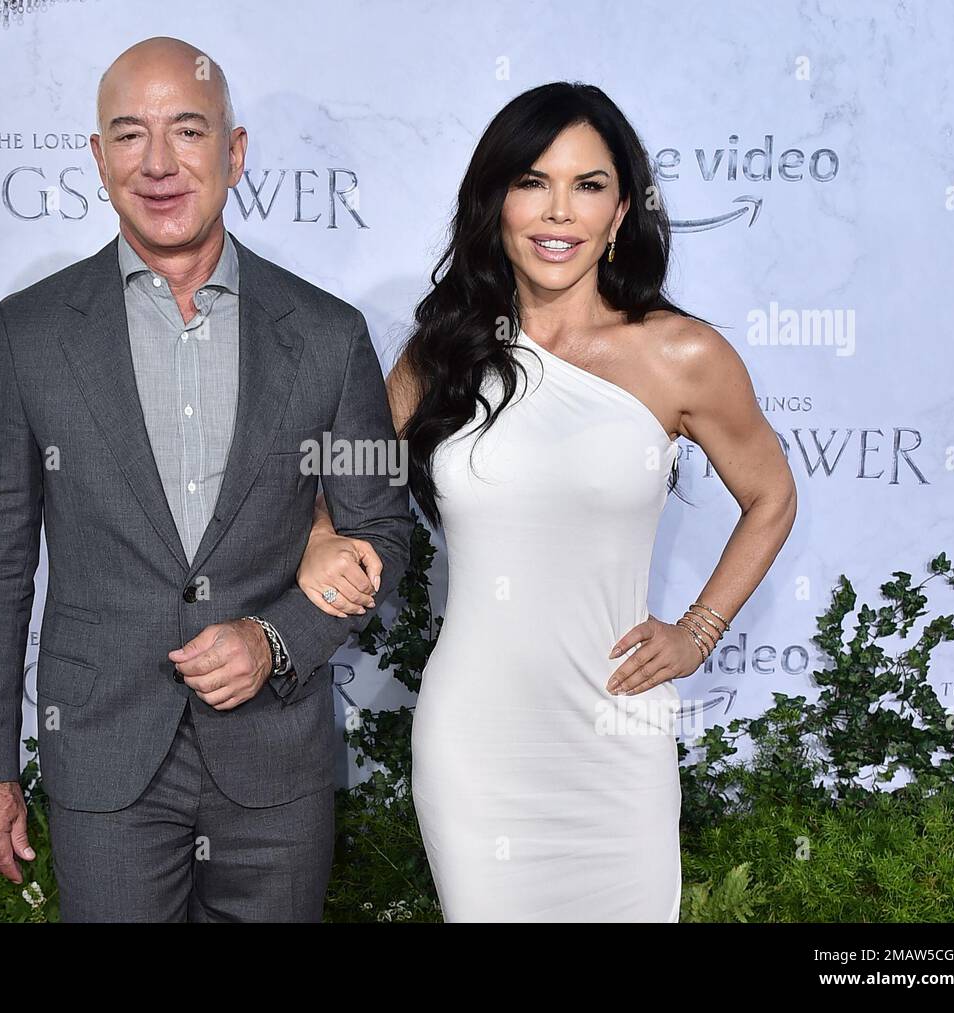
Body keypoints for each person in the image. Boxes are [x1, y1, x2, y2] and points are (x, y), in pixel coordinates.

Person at [297, 82, 797, 921]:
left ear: (621, 209)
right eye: (532, 181)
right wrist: (318, 532)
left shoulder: (682, 353)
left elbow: (771, 494)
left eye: (588, 185)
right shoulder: (445, 353)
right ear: (495, 202)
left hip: (617, 735)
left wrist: (700, 629)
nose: (557, 211)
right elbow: (341, 468)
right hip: (478, 742)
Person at [0, 36, 412, 922]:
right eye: (128, 135)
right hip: (102, 757)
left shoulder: (326, 333)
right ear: (97, 158)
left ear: (234, 154)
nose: (157, 163)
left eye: (188, 131)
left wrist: (274, 638)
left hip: (275, 762)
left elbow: (382, 533)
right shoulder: (29, 334)